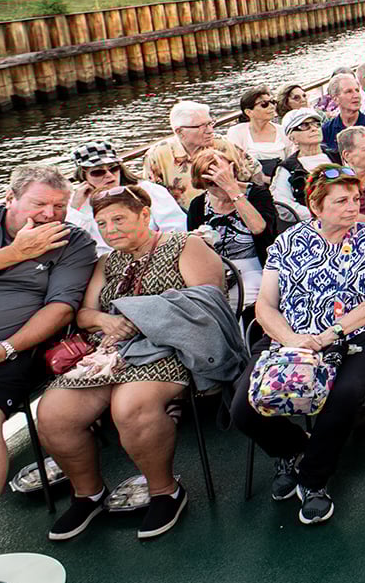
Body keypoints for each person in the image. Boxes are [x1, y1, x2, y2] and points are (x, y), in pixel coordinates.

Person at [39, 187, 228, 541]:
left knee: (130, 407)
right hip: (109, 350)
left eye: (119, 219)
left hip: (168, 348)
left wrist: (141, 315)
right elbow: (84, 314)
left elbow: (208, 304)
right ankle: (88, 493)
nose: (110, 230)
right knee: (53, 413)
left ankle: (164, 491)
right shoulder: (106, 262)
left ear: (144, 214)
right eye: (103, 224)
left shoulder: (185, 245)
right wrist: (105, 321)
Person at [237, 165, 365, 525]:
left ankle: (313, 479)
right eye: (342, 201)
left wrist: (327, 336)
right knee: (244, 407)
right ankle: (296, 447)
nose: (353, 207)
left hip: (357, 336)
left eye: (356, 199)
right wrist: (293, 341)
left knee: (343, 395)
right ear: (315, 206)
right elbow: (265, 305)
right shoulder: (288, 242)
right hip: (292, 338)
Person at [0, 166, 98, 561]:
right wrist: (15, 253)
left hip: (12, 353)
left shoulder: (74, 242)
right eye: (39, 204)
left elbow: (59, 311)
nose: (49, 214)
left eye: (59, 206)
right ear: (10, 199)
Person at [185, 148, 278, 306]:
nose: (221, 187)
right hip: (216, 269)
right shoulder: (198, 204)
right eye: (213, 184)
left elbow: (259, 228)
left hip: (255, 266)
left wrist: (232, 189)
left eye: (225, 178)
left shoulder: (257, 194)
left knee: (239, 301)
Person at [66, 141, 186, 256]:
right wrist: (76, 210)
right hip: (101, 264)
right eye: (98, 172)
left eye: (113, 168)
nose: (109, 175)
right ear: (83, 176)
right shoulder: (75, 204)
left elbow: (176, 228)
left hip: (152, 254)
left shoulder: (148, 190)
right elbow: (72, 244)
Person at [143, 100, 260, 208]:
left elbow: (254, 174)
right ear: (180, 132)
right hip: (183, 222)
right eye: (201, 127)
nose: (210, 131)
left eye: (210, 124)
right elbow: (152, 199)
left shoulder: (222, 145)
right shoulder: (157, 156)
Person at [272, 109, 330, 221]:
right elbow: (284, 206)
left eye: (316, 124)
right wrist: (321, 215)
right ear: (292, 137)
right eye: (304, 126)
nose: (314, 128)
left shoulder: (337, 156)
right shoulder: (287, 168)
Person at [320, 74, 365, 158]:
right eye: (349, 91)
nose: (356, 95)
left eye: (357, 90)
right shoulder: (327, 130)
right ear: (336, 99)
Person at [225, 86, 287, 177]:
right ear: (249, 112)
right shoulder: (236, 132)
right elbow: (236, 164)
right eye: (264, 104)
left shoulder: (283, 131)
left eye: (272, 102)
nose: (272, 107)